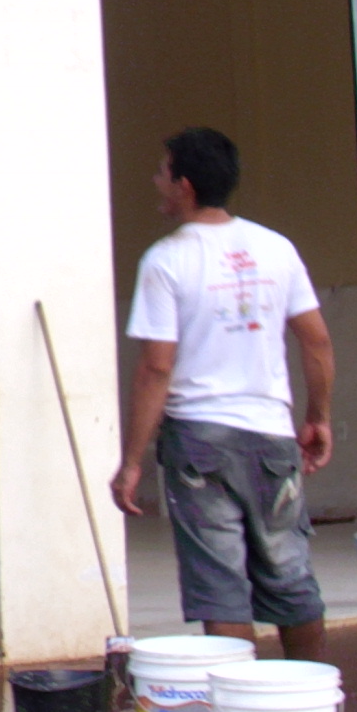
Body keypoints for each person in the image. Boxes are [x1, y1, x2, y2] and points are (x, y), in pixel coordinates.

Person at [111, 127, 335, 660]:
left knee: (221, 587)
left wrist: (132, 461)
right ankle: (315, 698)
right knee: (290, 578)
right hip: (272, 437)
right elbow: (317, 341)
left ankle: (238, 703)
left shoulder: (165, 260)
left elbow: (156, 368)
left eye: (162, 172)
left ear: (184, 185)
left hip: (199, 444)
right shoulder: (276, 248)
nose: (156, 182)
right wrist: (318, 417)